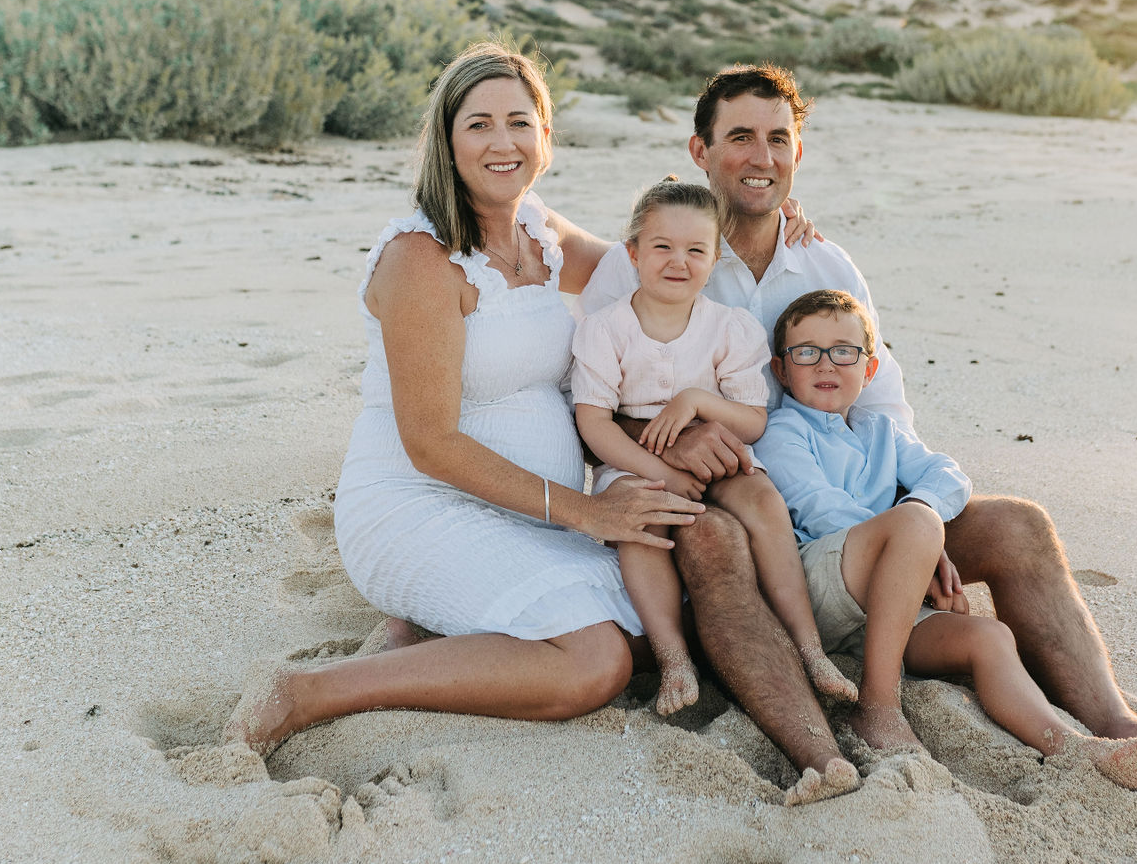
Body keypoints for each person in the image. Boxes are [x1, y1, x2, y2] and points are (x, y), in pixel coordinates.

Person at [222, 45, 853, 807]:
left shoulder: (541, 232)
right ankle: (310, 691)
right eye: (478, 123)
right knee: (595, 661)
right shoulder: (421, 258)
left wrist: (763, 215)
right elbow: (431, 441)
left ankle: (423, 628)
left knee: (653, 621)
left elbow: (659, 261)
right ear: (446, 140)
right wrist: (589, 509)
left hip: (531, 515)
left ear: (545, 137)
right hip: (418, 504)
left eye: (520, 122)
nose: (502, 142)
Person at [579, 64, 1137, 763]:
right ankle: (825, 755)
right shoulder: (660, 251)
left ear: (798, 154)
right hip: (730, 507)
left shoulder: (826, 264)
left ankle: (1118, 723)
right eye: (740, 138)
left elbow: (882, 404)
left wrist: (920, 526)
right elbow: (584, 394)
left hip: (853, 519)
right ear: (700, 151)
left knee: (1019, 526)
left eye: (778, 139)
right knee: (712, 537)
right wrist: (661, 439)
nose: (762, 158)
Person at [759, 290, 1137, 788]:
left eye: (844, 350)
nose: (827, 363)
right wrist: (915, 539)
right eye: (807, 352)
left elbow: (947, 475)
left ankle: (1071, 746)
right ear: (781, 370)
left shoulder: (880, 429)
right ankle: (878, 705)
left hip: (887, 606)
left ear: (868, 370)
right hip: (819, 586)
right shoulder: (783, 430)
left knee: (989, 638)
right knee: (917, 524)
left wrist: (919, 520)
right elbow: (819, 509)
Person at [572, 180, 857, 718]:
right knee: (642, 522)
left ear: (714, 259)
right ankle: (673, 656)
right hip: (632, 467)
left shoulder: (730, 327)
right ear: (632, 253)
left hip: (723, 458)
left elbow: (752, 420)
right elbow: (594, 425)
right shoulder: (604, 330)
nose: (678, 261)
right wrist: (660, 470)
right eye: (661, 247)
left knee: (763, 499)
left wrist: (698, 400)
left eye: (696, 250)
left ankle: (808, 644)